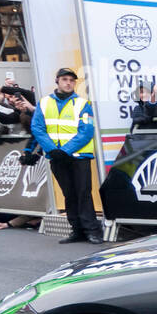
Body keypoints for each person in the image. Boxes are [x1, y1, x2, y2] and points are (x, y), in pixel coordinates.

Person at [28, 68, 102, 244]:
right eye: (65, 79)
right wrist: (52, 149)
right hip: (56, 156)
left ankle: (92, 230)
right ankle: (76, 230)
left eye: (71, 80)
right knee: (69, 194)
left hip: (78, 156)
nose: (68, 83)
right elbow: (37, 128)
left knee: (83, 193)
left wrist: (64, 150)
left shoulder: (83, 104)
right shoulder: (44, 103)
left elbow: (86, 131)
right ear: (57, 81)